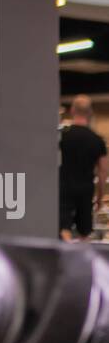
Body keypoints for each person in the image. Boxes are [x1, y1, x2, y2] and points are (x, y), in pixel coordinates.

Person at [59, 95, 108, 241]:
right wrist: (99, 197)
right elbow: (103, 171)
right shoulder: (97, 140)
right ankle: (82, 262)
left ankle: (64, 258)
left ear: (72, 110)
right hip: (86, 190)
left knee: (63, 229)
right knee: (85, 233)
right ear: (90, 113)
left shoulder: (63, 137)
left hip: (64, 188)